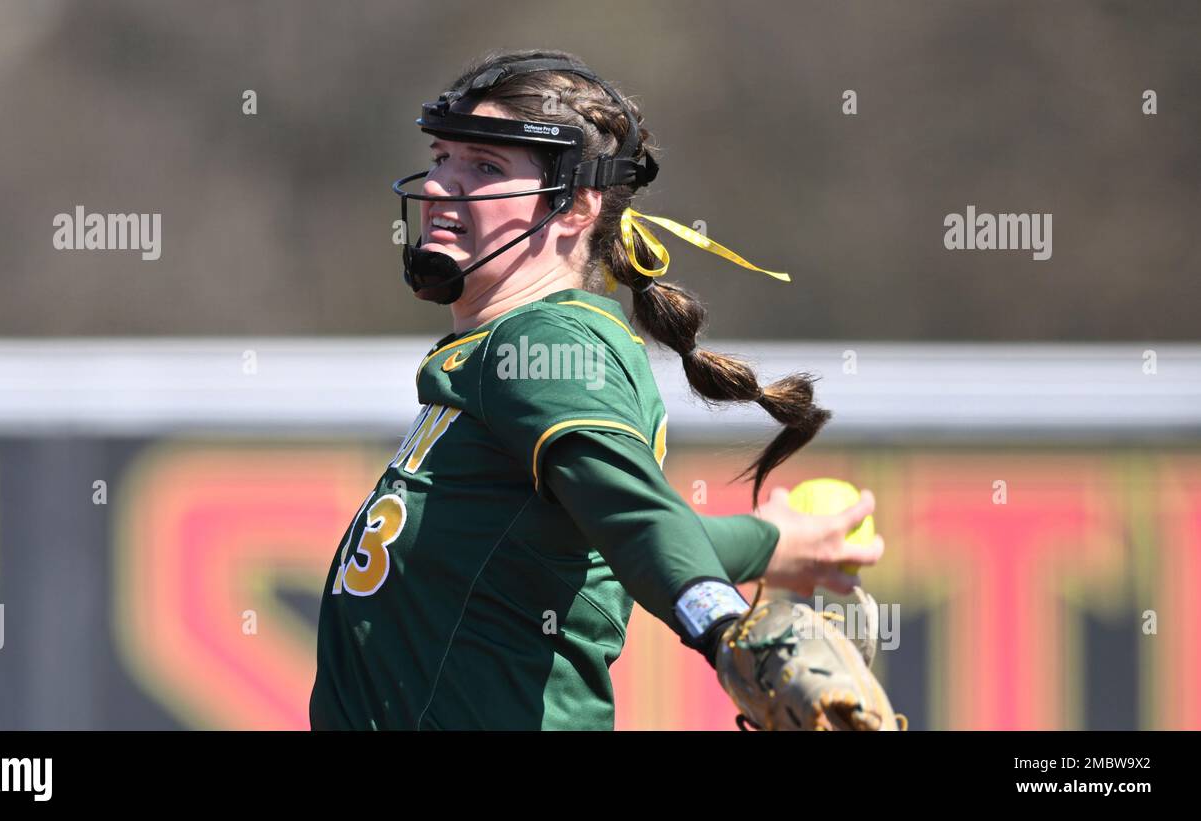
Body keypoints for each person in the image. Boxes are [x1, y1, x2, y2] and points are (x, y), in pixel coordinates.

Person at [310, 49, 885, 730]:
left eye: (485, 167)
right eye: (441, 157)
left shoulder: (543, 345)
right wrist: (764, 541)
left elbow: (630, 513)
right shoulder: (517, 351)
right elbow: (606, 526)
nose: (439, 186)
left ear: (578, 204)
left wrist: (725, 626)